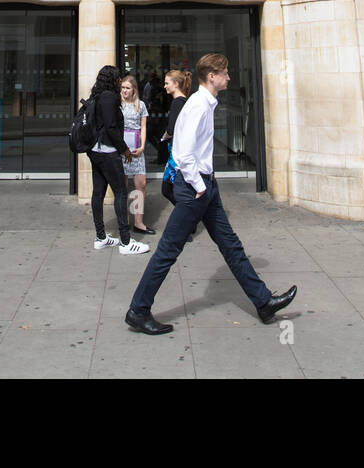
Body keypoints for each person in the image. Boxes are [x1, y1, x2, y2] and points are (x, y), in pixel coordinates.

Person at [125, 53, 296, 335]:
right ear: (212, 76)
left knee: (231, 245)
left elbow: (180, 143)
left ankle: (263, 302)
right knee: (168, 250)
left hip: (205, 186)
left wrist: (206, 185)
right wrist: (200, 186)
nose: (229, 77)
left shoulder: (203, 103)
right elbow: (183, 153)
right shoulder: (198, 106)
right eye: (225, 73)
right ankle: (138, 310)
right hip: (195, 187)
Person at [85, 66, 149, 255]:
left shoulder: (95, 96)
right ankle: (126, 242)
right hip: (108, 152)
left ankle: (101, 237)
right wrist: (125, 150)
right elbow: (112, 128)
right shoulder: (110, 97)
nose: (120, 81)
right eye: (118, 77)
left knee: (98, 193)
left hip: (95, 151)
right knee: (121, 191)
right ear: (113, 79)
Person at [120, 73, 155, 235]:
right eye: (122, 88)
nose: (124, 91)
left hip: (136, 150)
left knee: (140, 184)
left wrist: (142, 147)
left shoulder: (140, 105)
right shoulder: (117, 105)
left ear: (134, 90)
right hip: (121, 150)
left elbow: (143, 127)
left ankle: (138, 222)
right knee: (123, 186)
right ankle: (124, 222)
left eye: (127, 88)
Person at [159, 69, 191, 206]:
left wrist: (164, 137)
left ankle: (187, 215)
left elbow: (171, 130)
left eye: (167, 83)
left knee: (167, 189)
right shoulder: (184, 102)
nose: (164, 86)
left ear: (176, 84)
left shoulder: (177, 102)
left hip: (177, 153)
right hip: (181, 151)